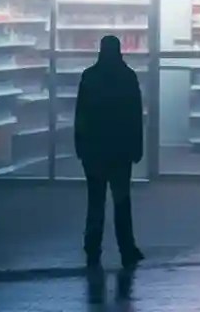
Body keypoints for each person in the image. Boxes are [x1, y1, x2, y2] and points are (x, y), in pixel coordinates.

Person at [75, 35, 145, 268]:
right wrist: (137, 147)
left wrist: (80, 145)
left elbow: (81, 115)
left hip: (94, 150)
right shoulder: (128, 77)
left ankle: (92, 244)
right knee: (122, 200)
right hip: (120, 151)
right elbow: (135, 116)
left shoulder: (89, 77)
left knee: (95, 200)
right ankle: (127, 247)